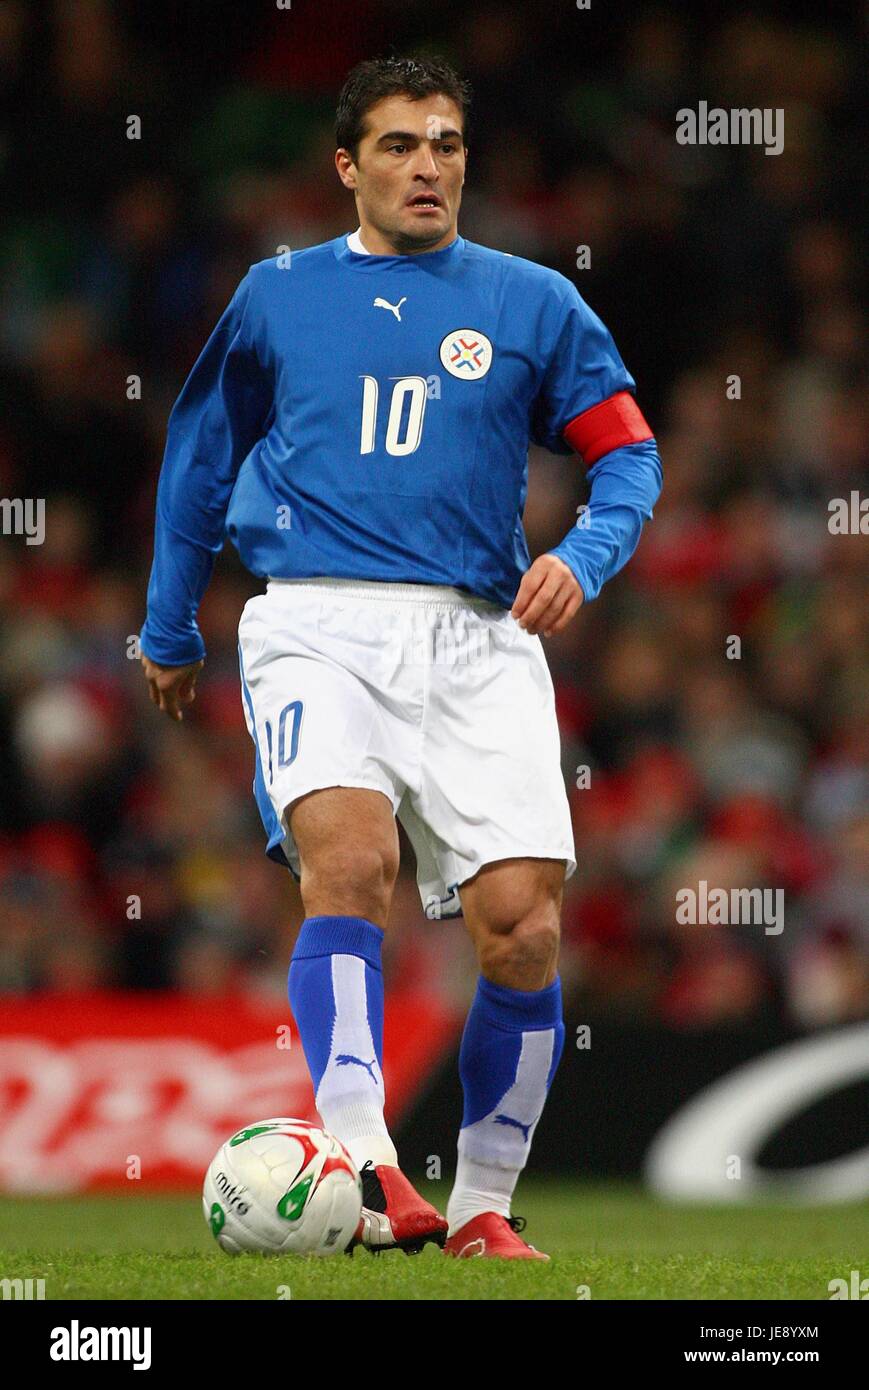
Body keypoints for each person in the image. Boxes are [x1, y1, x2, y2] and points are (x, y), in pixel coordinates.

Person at [139, 54, 662, 1260]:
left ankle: (481, 1203)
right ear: (346, 165)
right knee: (352, 859)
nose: (426, 165)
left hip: (479, 634)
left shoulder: (532, 302)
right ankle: (369, 1161)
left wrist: (585, 555)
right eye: (396, 144)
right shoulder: (276, 295)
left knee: (522, 927)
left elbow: (627, 456)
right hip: (316, 619)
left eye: (445, 144)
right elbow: (200, 460)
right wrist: (169, 623)